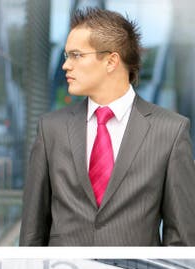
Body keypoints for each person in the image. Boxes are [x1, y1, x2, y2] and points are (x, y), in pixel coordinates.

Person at [20, 8, 195, 247]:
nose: (66, 66)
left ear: (111, 61)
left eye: (76, 55)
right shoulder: (51, 129)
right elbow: (32, 232)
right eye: (66, 56)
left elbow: (182, 240)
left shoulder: (171, 132)